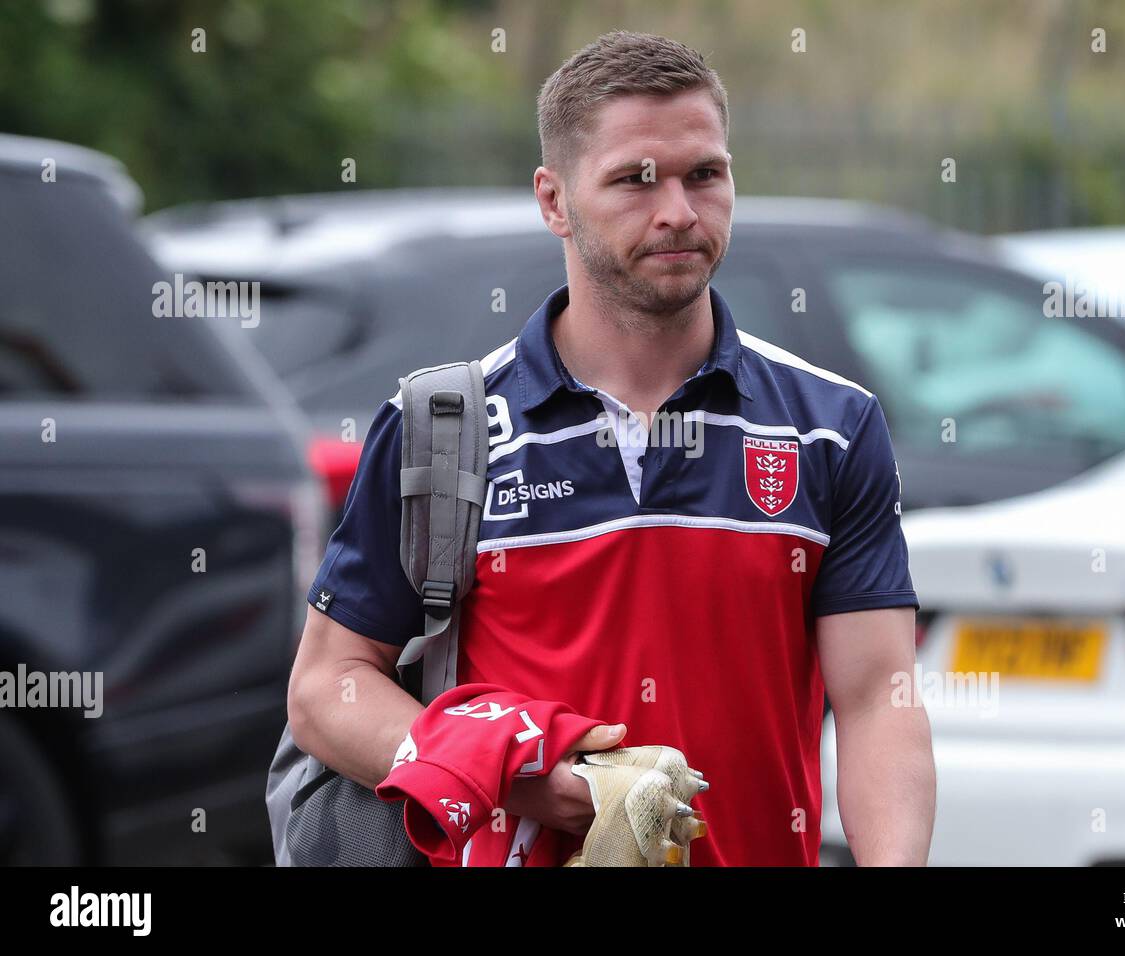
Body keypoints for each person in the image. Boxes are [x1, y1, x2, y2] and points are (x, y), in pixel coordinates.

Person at [288, 29, 935, 866]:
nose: (678, 210)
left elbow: (879, 700)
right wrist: (511, 775)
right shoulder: (440, 423)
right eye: (635, 180)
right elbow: (325, 688)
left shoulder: (829, 424)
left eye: (705, 174)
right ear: (553, 200)